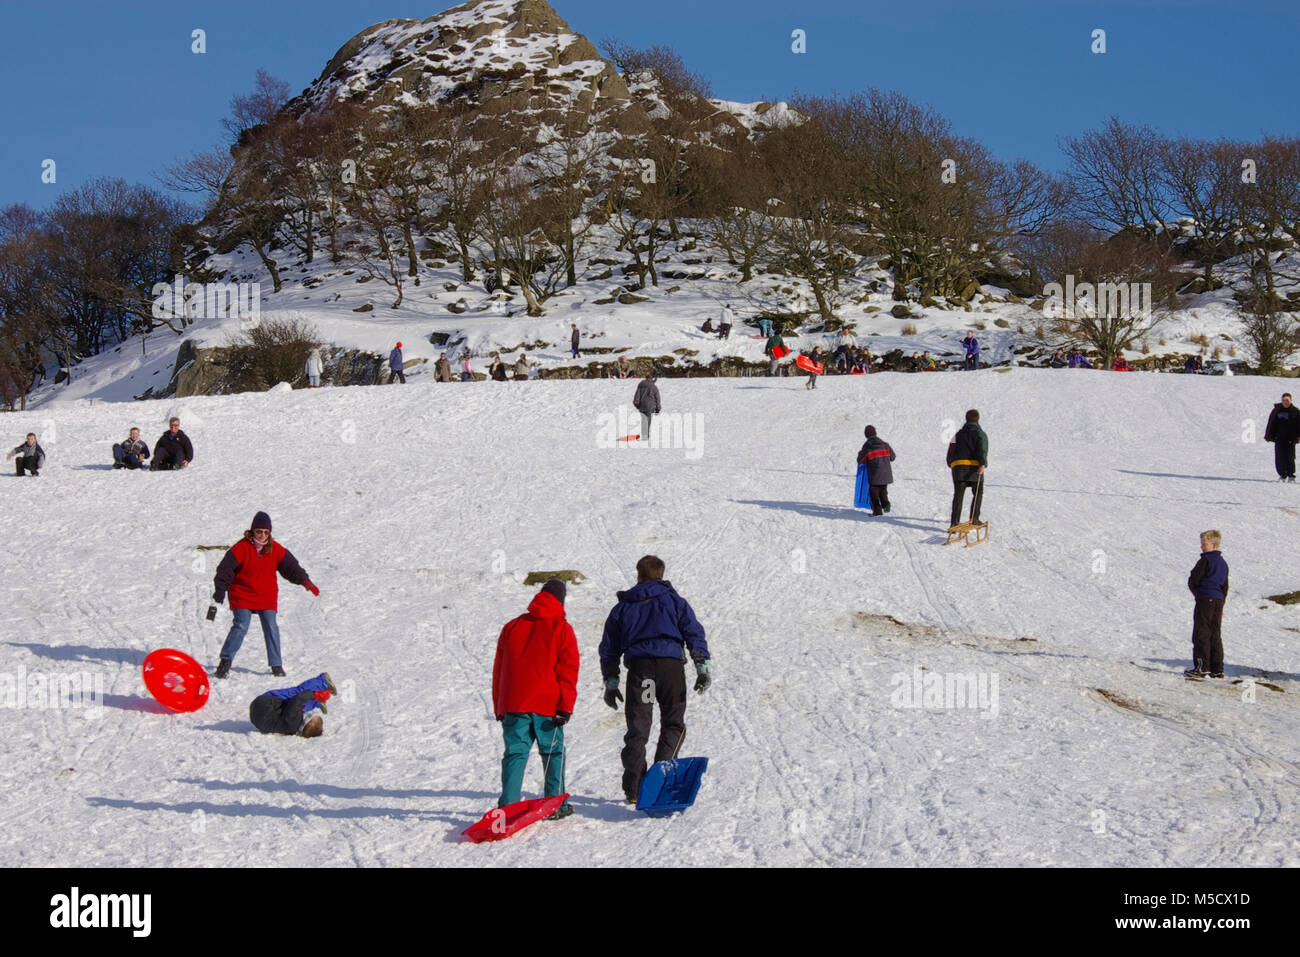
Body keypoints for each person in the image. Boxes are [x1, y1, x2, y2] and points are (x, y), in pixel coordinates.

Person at [599, 555, 710, 804]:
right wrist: (702, 666)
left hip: (641, 670)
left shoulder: (623, 608)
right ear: (661, 575)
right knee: (674, 724)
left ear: (638, 575)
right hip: (671, 670)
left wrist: (611, 680)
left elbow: (609, 647)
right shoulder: (675, 602)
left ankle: (634, 788)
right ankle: (658, 779)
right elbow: (693, 632)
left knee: (639, 728)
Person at [492, 579, 579, 820]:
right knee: (553, 754)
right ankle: (555, 805)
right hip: (547, 705)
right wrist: (565, 706)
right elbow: (568, 671)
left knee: (515, 754)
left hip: (514, 703)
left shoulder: (512, 626)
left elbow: (499, 669)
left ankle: (507, 808)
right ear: (561, 601)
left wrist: (499, 704)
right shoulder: (562, 629)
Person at [212, 511, 318, 679]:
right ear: (252, 531)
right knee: (241, 625)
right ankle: (225, 662)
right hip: (243, 594)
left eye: (266, 532)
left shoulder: (275, 549)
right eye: (259, 531)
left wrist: (305, 581)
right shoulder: (241, 547)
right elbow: (225, 570)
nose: (262, 535)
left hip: (265, 595)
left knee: (271, 626)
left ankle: (276, 665)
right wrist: (220, 590)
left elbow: (291, 567)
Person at [1186, 530, 1228, 678]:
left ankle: (1202, 666)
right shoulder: (1223, 563)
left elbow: (1193, 579)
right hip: (1218, 600)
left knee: (1201, 632)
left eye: (1204, 544)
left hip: (1205, 599)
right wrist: (1221, 601)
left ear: (1214, 544)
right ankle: (1218, 669)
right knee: (1215, 633)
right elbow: (1225, 585)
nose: (1202, 547)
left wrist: (1198, 594)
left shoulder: (1205, 560)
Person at [250, 673, 337, 738]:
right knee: (297, 707)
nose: (310, 714)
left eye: (310, 716)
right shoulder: (293, 728)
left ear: (306, 721)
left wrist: (315, 695)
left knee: (296, 693)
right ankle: (316, 702)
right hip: (255, 719)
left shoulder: (294, 720)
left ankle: (322, 681)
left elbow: (298, 698)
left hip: (262, 704)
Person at [946, 410, 987, 530]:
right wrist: (982, 463)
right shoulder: (980, 434)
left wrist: (951, 464)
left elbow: (950, 450)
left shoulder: (956, 435)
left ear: (966, 419)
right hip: (974, 469)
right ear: (977, 419)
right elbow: (982, 449)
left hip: (958, 469)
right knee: (978, 493)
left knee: (958, 495)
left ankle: (954, 523)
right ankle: (974, 518)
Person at [858, 425, 896, 516]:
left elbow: (860, 460)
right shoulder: (885, 445)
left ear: (866, 435)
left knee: (873, 494)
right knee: (883, 491)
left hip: (875, 475)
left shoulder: (868, 447)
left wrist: (860, 453)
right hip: (886, 474)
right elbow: (893, 457)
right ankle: (886, 504)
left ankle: (877, 512)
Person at [1265, 392, 1299, 482]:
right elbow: (1271, 423)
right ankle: (1282, 475)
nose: (1285, 402)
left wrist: (1298, 436)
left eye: (1287, 400)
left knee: (1290, 457)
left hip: (1291, 439)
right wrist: (1269, 435)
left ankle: (1291, 476)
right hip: (1279, 438)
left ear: (1291, 400)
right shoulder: (1277, 411)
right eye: (1283, 400)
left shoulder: (1295, 411)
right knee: (1279, 457)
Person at [633, 372, 660, 441]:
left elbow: (637, 396)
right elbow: (657, 398)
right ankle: (646, 436)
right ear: (651, 379)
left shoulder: (641, 385)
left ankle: (644, 435)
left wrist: (636, 404)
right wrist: (658, 408)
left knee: (643, 421)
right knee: (648, 421)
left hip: (642, 406)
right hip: (650, 406)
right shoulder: (654, 387)